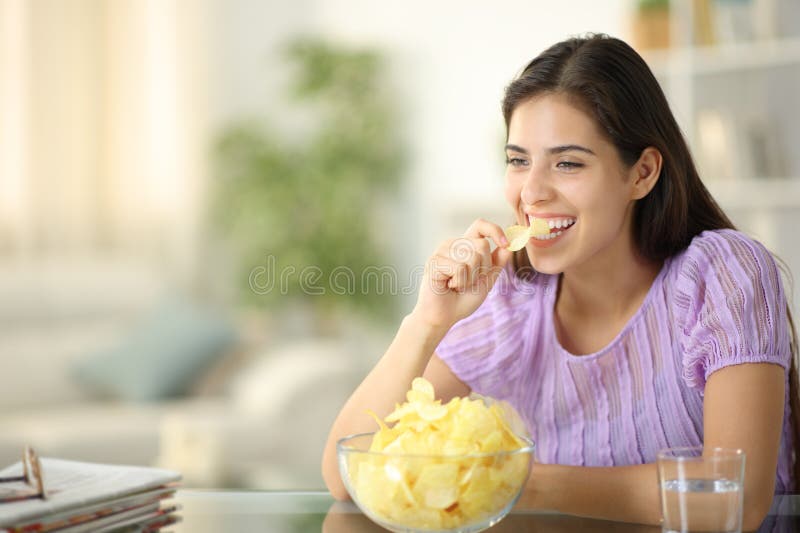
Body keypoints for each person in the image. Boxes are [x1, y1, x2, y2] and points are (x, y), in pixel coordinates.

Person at [321, 33, 798, 528]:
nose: (532, 191)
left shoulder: (720, 274)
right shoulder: (511, 301)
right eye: (518, 160)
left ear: (643, 173)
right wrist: (427, 321)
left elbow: (736, 498)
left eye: (568, 163)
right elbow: (346, 478)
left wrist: (516, 481)